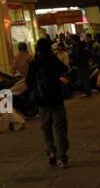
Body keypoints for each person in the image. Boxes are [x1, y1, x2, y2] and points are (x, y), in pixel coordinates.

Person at [27, 36, 70, 168]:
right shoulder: (52, 60)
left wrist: (35, 90)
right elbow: (65, 70)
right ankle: (61, 157)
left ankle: (51, 151)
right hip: (56, 99)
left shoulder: (35, 63)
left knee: (46, 127)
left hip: (42, 102)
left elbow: (29, 81)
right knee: (59, 128)